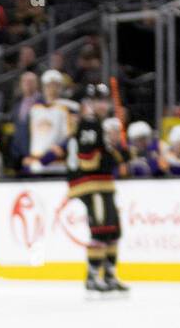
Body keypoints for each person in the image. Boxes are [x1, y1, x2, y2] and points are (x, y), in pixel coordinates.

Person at [69, 82, 129, 293]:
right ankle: (93, 276)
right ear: (89, 103)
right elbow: (88, 160)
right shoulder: (89, 125)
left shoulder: (102, 126)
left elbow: (115, 158)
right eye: (97, 101)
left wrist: (116, 153)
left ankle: (110, 274)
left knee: (114, 230)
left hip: (105, 184)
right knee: (101, 229)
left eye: (104, 101)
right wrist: (113, 155)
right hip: (89, 184)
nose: (102, 105)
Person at [24, 69, 76, 175]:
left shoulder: (67, 108)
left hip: (57, 163)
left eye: (56, 85)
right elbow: (28, 134)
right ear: (43, 87)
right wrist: (26, 155)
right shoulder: (35, 109)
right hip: (36, 162)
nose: (52, 89)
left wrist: (61, 148)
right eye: (49, 85)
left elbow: (71, 134)